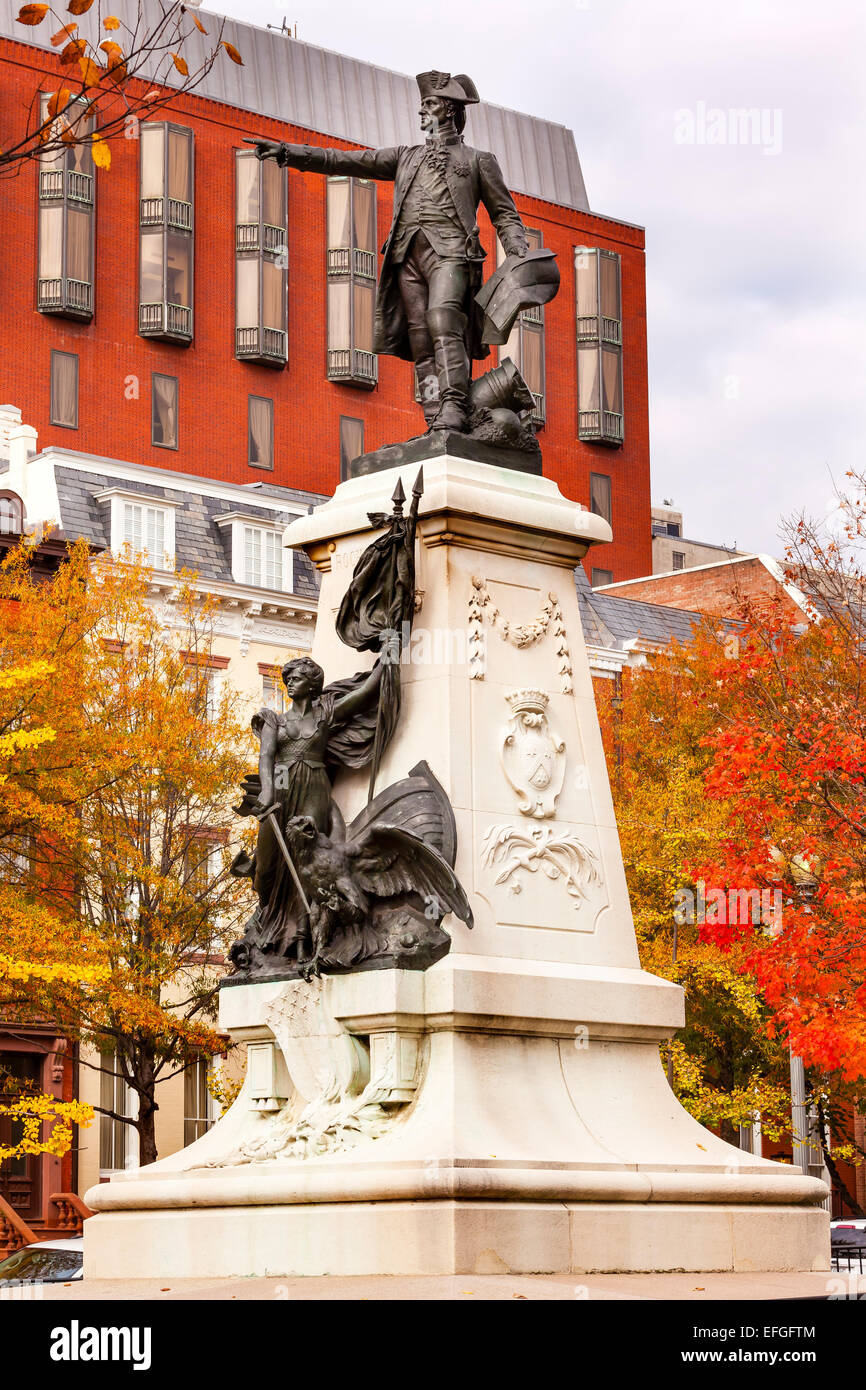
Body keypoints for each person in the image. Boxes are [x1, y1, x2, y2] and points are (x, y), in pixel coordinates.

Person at [253, 69, 530, 432]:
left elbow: (504, 213)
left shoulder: (479, 160)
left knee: (443, 320)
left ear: (448, 110)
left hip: (451, 254)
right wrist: (291, 153)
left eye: (428, 105)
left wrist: (519, 252)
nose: (421, 112)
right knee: (420, 338)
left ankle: (455, 405)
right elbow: (346, 160)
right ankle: (435, 414)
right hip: (405, 258)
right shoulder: (405, 157)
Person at [242, 656, 382, 960]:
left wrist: (390, 654)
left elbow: (366, 694)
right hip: (280, 788)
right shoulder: (274, 720)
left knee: (307, 865)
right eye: (288, 677)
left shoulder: (325, 714)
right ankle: (268, 923)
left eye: (297, 677)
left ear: (313, 684)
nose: (290, 681)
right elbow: (266, 757)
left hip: (314, 789)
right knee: (266, 865)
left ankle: (301, 937)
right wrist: (267, 791)